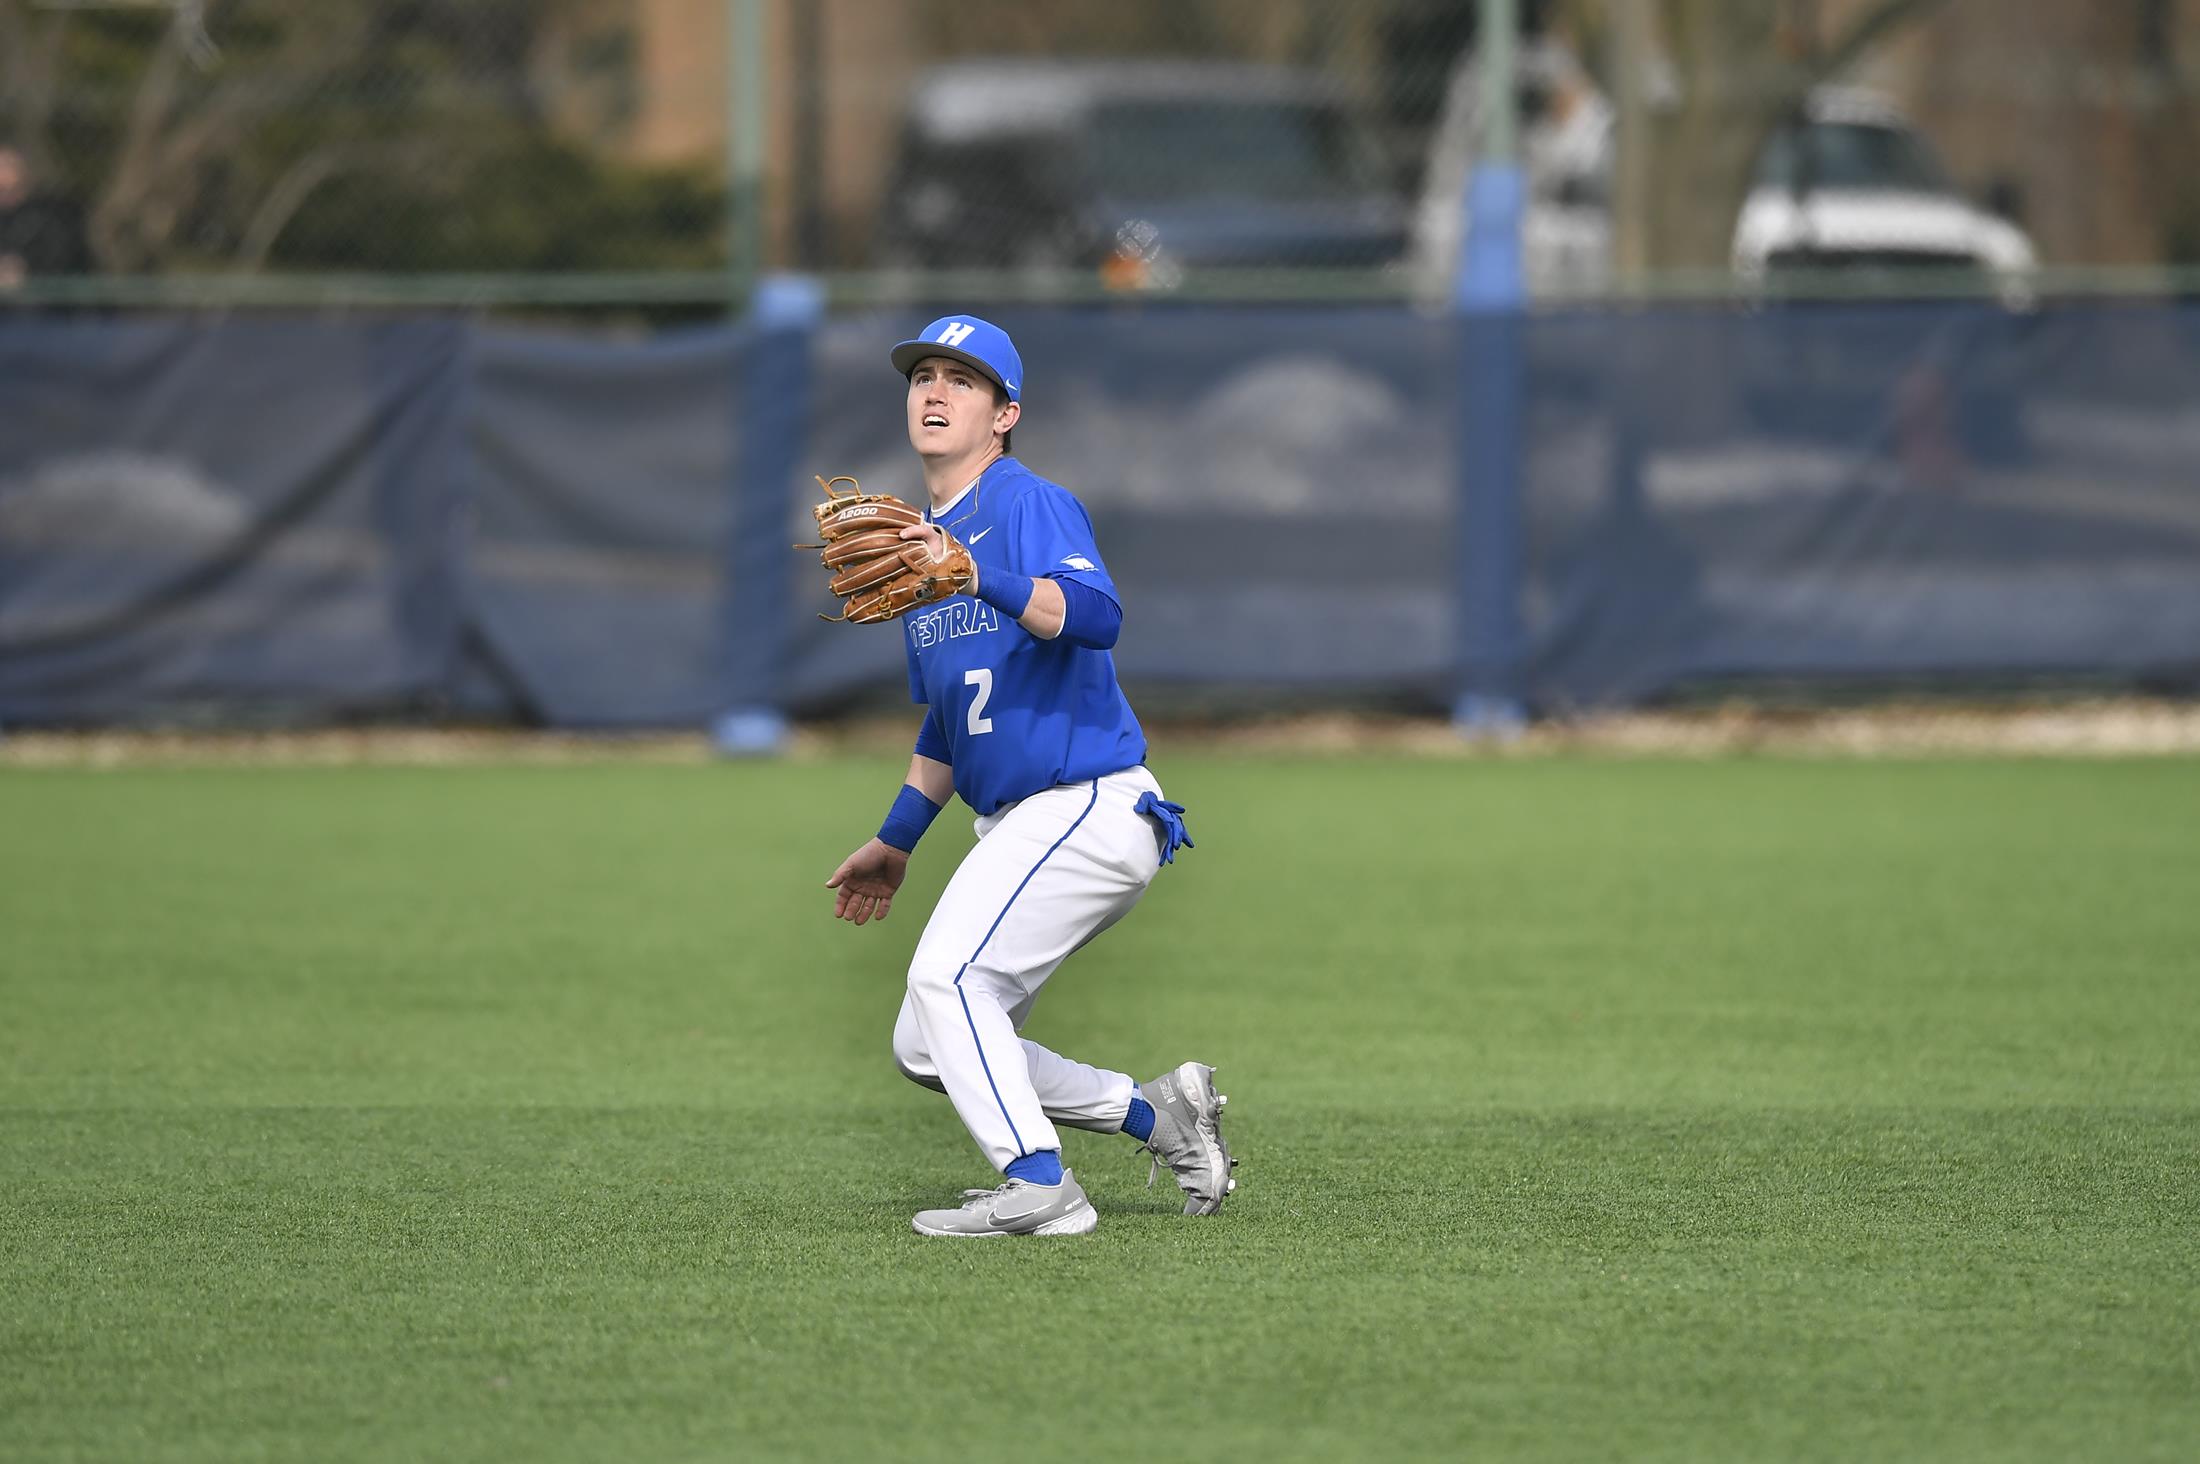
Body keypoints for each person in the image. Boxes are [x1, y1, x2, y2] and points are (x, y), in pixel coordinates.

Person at [824, 313, 1234, 1238]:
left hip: (1087, 802)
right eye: (923, 375)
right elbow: (946, 717)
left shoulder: (1023, 503)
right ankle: (1154, 1113)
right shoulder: (915, 550)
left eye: (961, 381)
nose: (933, 391)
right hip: (1021, 821)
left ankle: (1041, 1182)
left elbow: (1093, 613)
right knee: (926, 1041)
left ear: (1004, 414)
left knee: (949, 984)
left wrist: (976, 573)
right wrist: (895, 839)